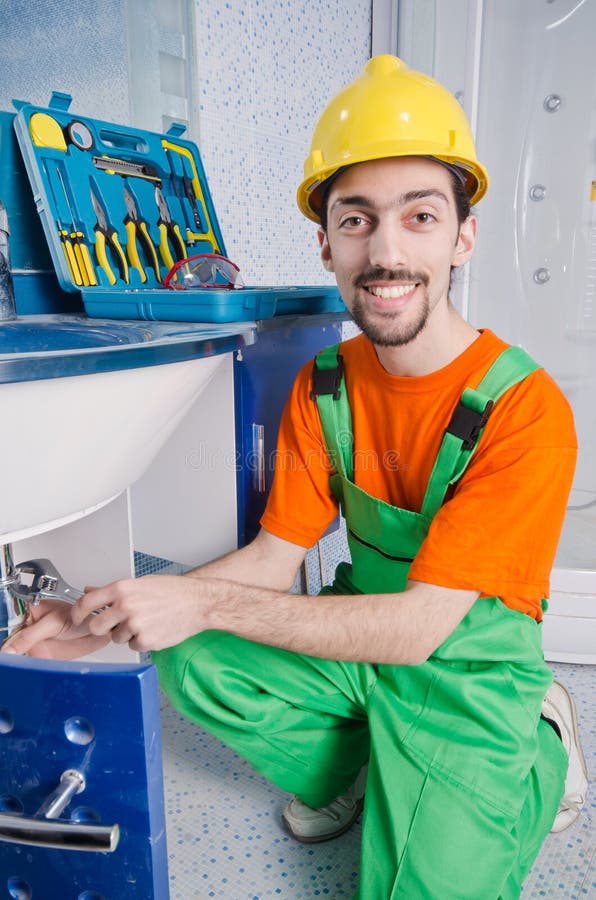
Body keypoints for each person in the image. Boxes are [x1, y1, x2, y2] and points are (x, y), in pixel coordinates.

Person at [3, 56, 588, 897]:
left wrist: (195, 598)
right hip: (363, 641)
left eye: (419, 217)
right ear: (326, 244)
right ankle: (364, 763)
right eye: (357, 221)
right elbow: (276, 559)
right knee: (188, 652)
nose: (386, 252)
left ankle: (537, 750)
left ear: (463, 234)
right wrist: (109, 613)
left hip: (468, 672)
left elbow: (422, 629)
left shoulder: (524, 409)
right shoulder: (326, 388)